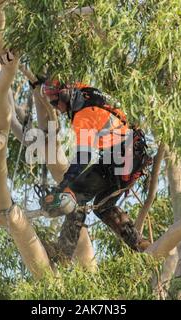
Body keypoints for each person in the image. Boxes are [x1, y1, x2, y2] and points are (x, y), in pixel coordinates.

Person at [36, 79, 152, 262]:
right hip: (130, 158)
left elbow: (84, 156)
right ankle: (142, 245)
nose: (56, 107)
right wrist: (40, 81)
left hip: (120, 159)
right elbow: (72, 80)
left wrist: (63, 186)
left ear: (65, 95)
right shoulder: (91, 94)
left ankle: (62, 253)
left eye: (55, 101)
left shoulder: (83, 115)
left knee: (74, 196)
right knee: (103, 207)